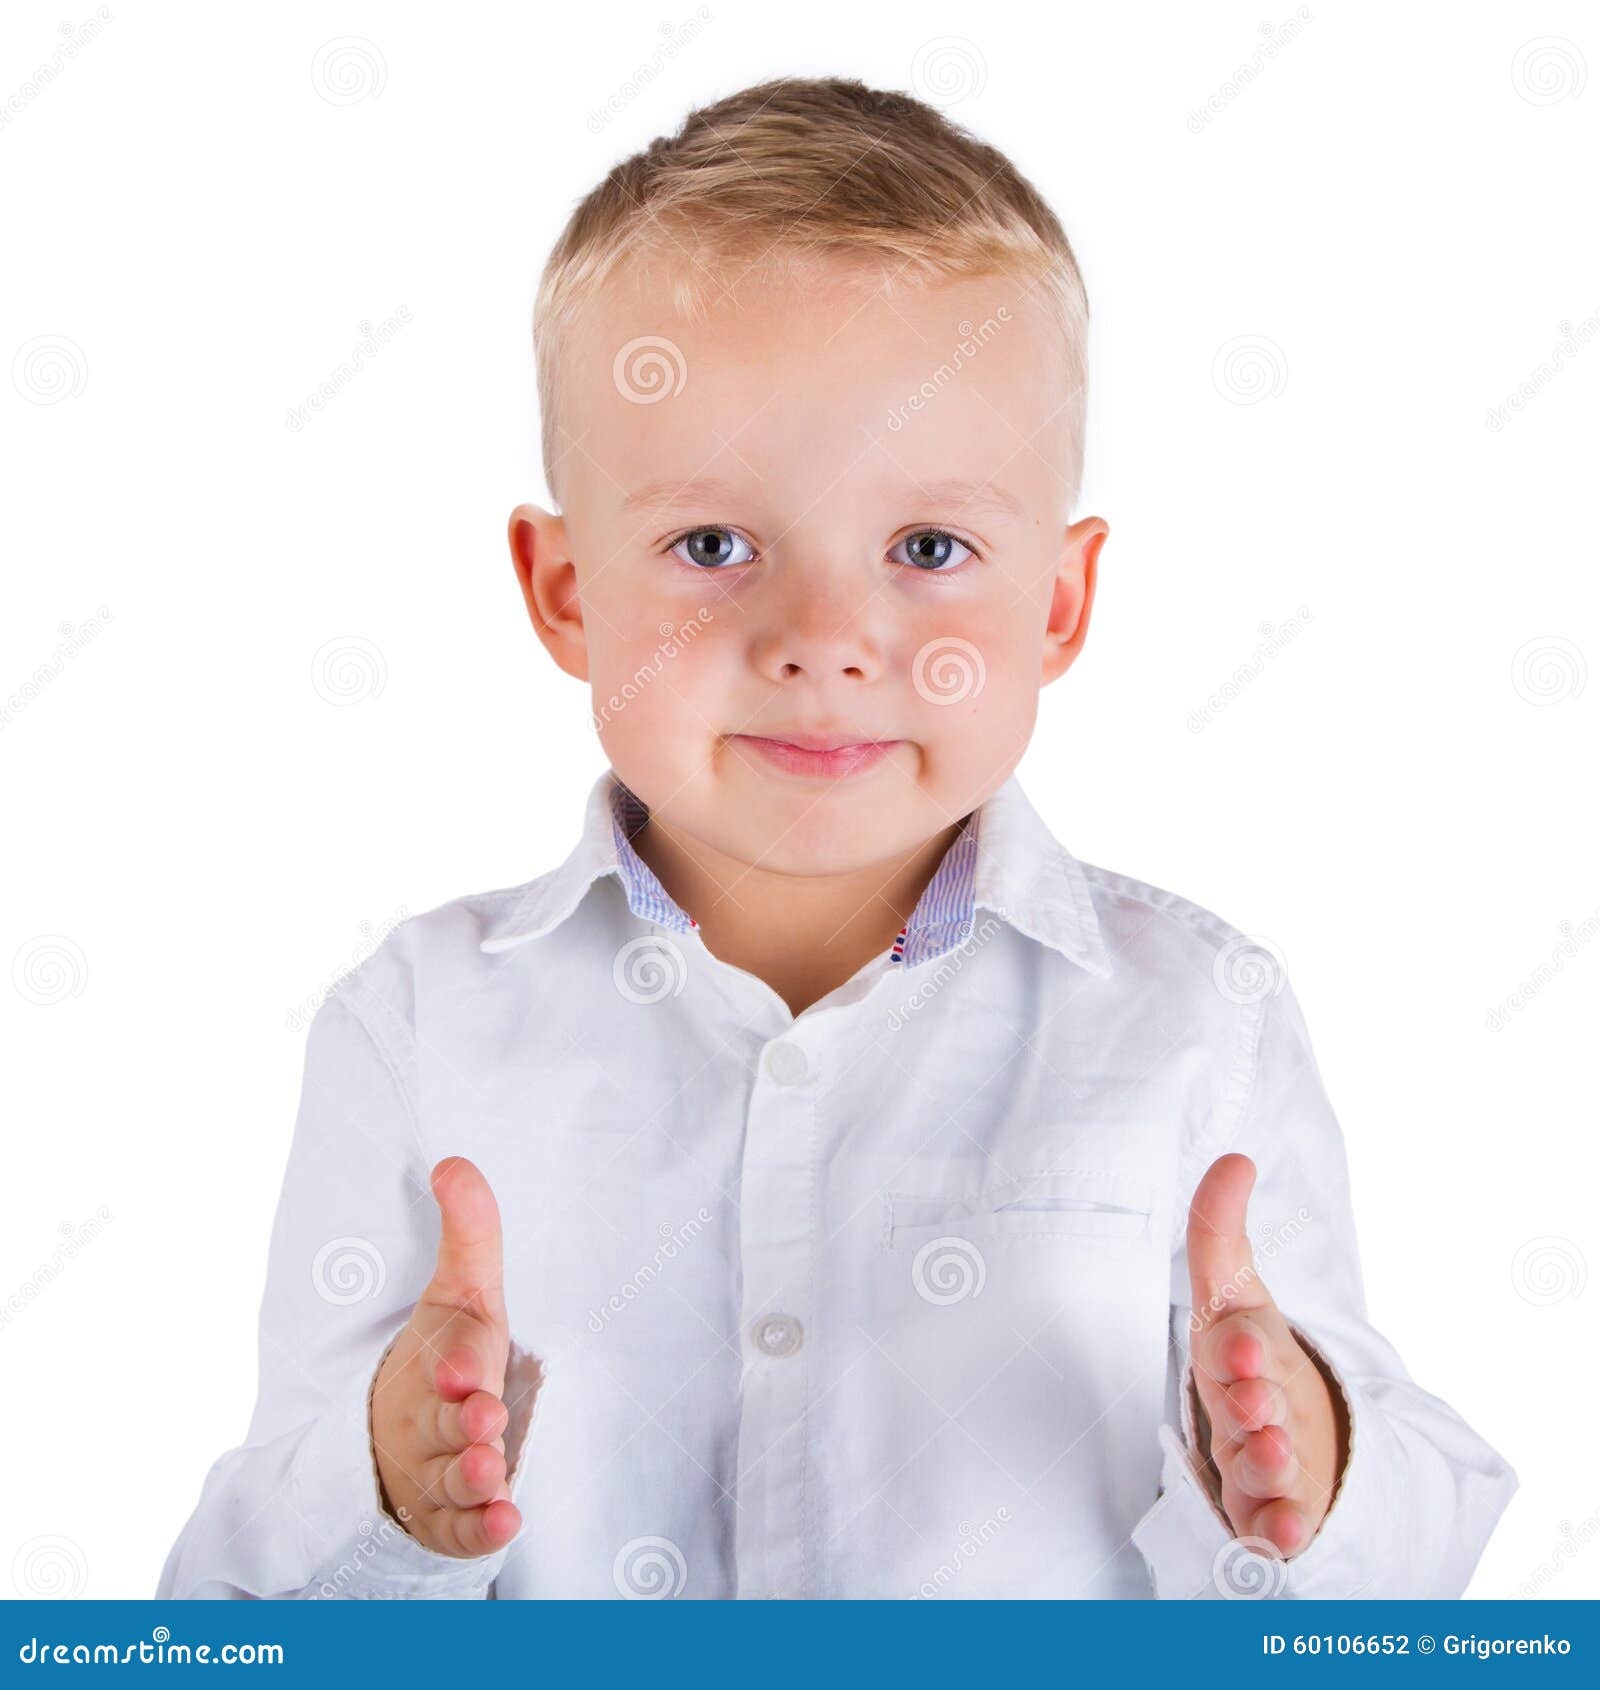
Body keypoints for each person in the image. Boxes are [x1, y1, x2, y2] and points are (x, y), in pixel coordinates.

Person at [158, 75, 1515, 1600]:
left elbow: (1403, 1567)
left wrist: (1310, 1459)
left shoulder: (1203, 1016)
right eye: (713, 544)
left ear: (1058, 604)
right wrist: (385, 1487)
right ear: (563, 591)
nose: (824, 637)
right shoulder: (420, 1025)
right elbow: (227, 1611)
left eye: (928, 548)